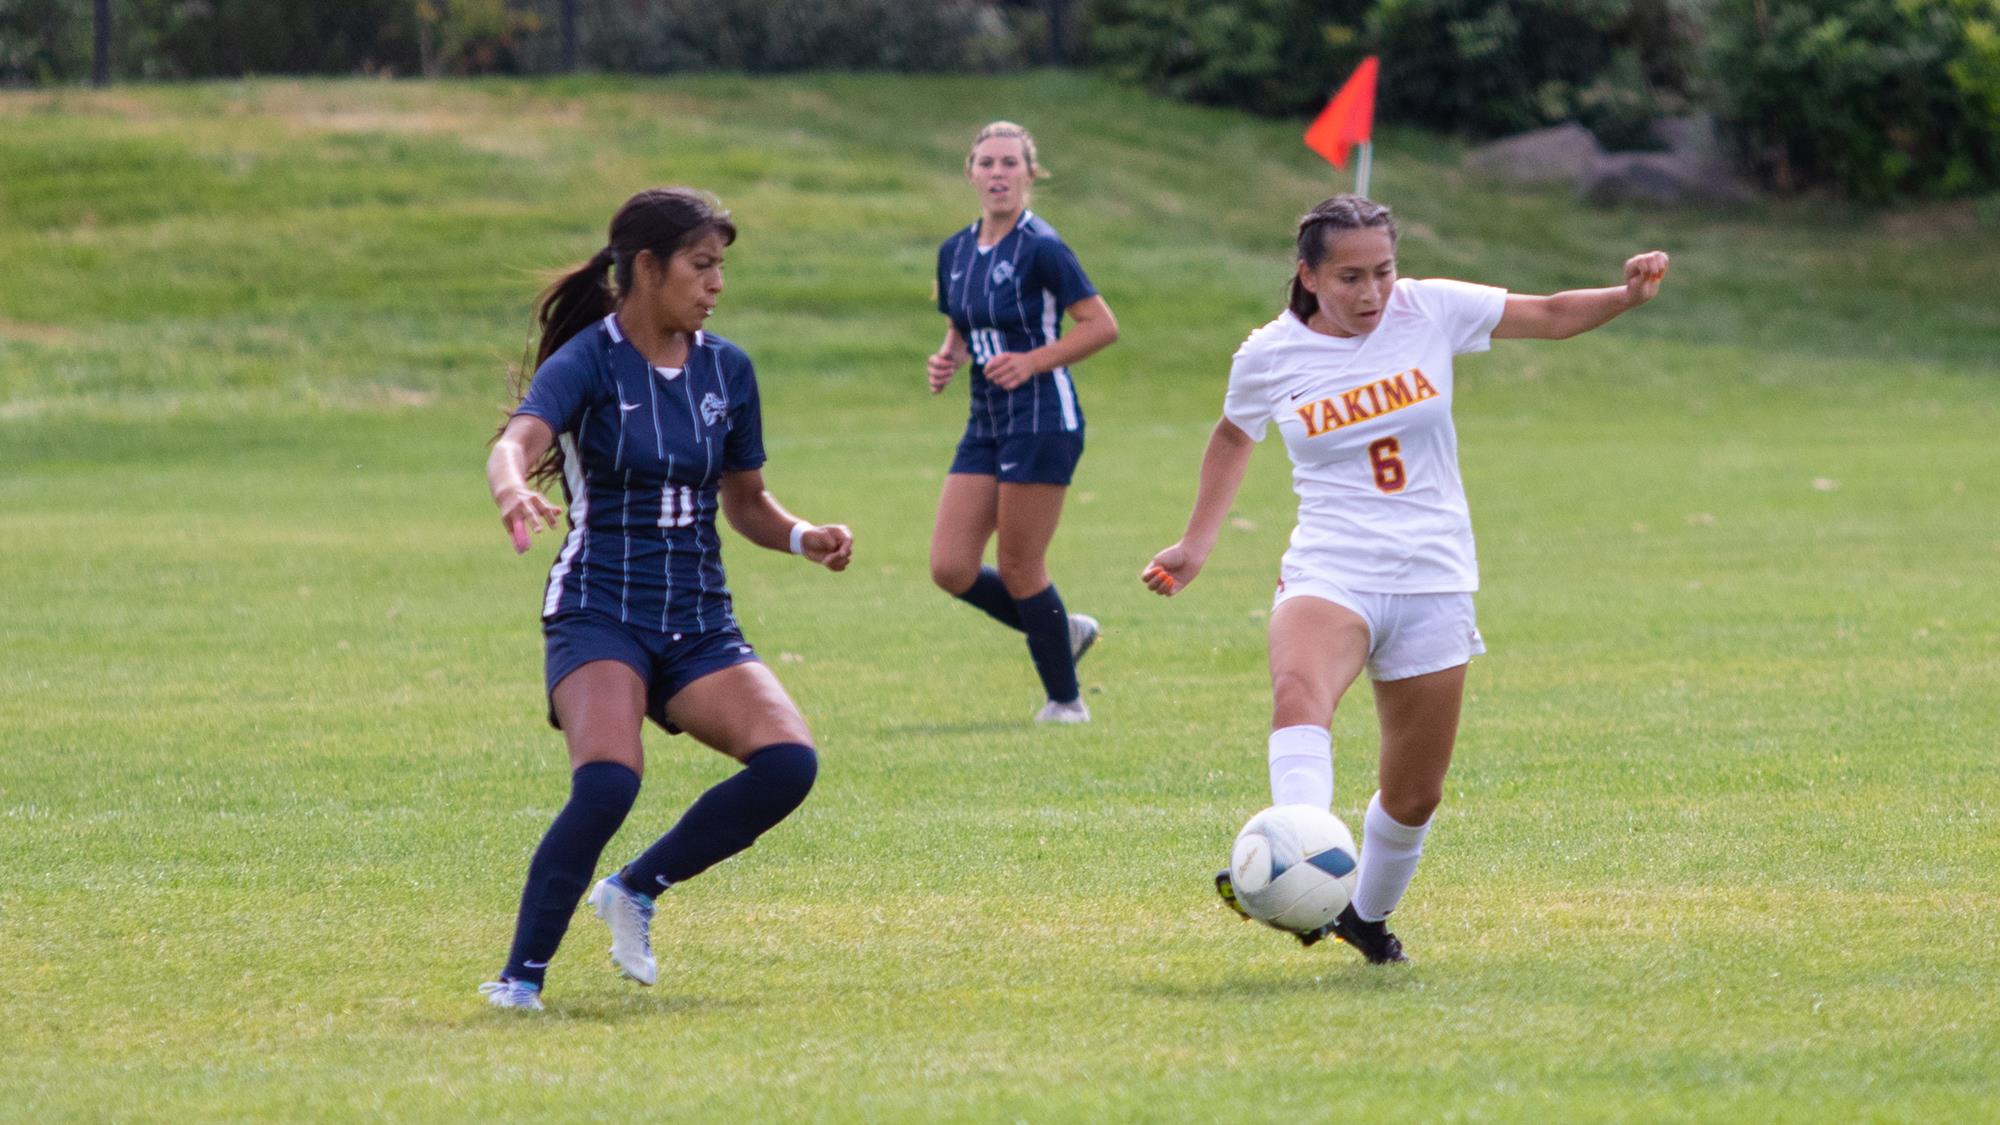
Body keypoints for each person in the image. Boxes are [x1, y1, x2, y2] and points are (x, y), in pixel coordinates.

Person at [1142, 194, 1669, 963]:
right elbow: (1232, 434)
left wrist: (1625, 295)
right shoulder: (1269, 354)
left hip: (1432, 576)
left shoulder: (1430, 309)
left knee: (1416, 792)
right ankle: (1297, 855)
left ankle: (1363, 915)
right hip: (1332, 567)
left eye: (1383, 272)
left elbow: (1552, 314)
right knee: (1299, 693)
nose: (1372, 293)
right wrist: (1196, 543)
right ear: (1309, 276)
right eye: (1350, 277)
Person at [479, 187, 854, 1011]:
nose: (716, 283)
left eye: (720, 266)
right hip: (600, 608)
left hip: (696, 617)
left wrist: (804, 536)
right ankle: (519, 980)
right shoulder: (589, 360)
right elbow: (517, 443)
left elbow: (747, 502)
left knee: (788, 763)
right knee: (608, 783)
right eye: (701, 265)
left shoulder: (728, 369)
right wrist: (512, 489)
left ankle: (635, 888)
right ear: (647, 268)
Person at [926, 121, 1121, 724]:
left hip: (1042, 418)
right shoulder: (955, 251)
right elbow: (963, 322)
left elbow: (1101, 326)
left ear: (1030, 174)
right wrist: (948, 356)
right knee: (950, 567)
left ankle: (1066, 702)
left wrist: (1033, 360)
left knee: (1019, 566)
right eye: (987, 162)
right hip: (985, 419)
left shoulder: (1043, 247)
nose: (998, 173)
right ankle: (1064, 630)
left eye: (1010, 163)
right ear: (971, 173)